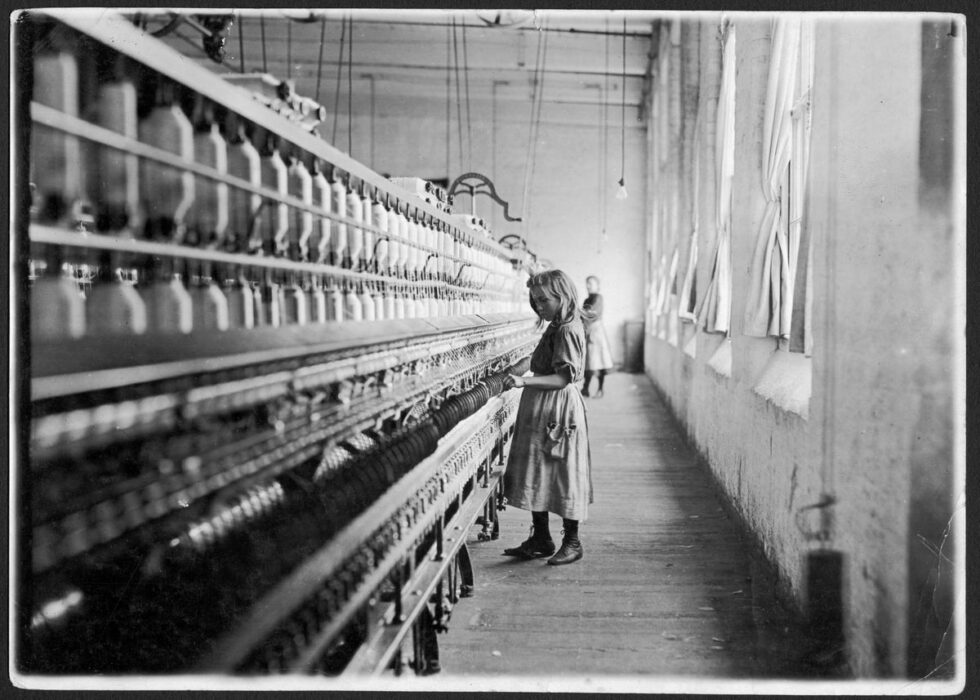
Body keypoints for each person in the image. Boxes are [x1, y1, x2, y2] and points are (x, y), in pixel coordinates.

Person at [501, 269, 593, 566]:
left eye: (543, 300)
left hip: (557, 407)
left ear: (562, 296)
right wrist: (518, 366)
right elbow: (543, 359)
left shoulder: (567, 329)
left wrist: (522, 382)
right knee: (538, 469)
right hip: (542, 407)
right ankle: (541, 538)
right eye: (534, 300)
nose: (538, 306)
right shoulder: (557, 324)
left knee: (563, 472)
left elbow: (562, 378)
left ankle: (573, 542)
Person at [580, 275, 614, 398]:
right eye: (587, 283)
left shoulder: (598, 298)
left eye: (591, 283)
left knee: (599, 362)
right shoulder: (586, 300)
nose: (588, 286)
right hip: (589, 332)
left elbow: (591, 314)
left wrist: (580, 315)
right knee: (589, 362)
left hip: (596, 332)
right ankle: (586, 388)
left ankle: (600, 389)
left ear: (597, 286)